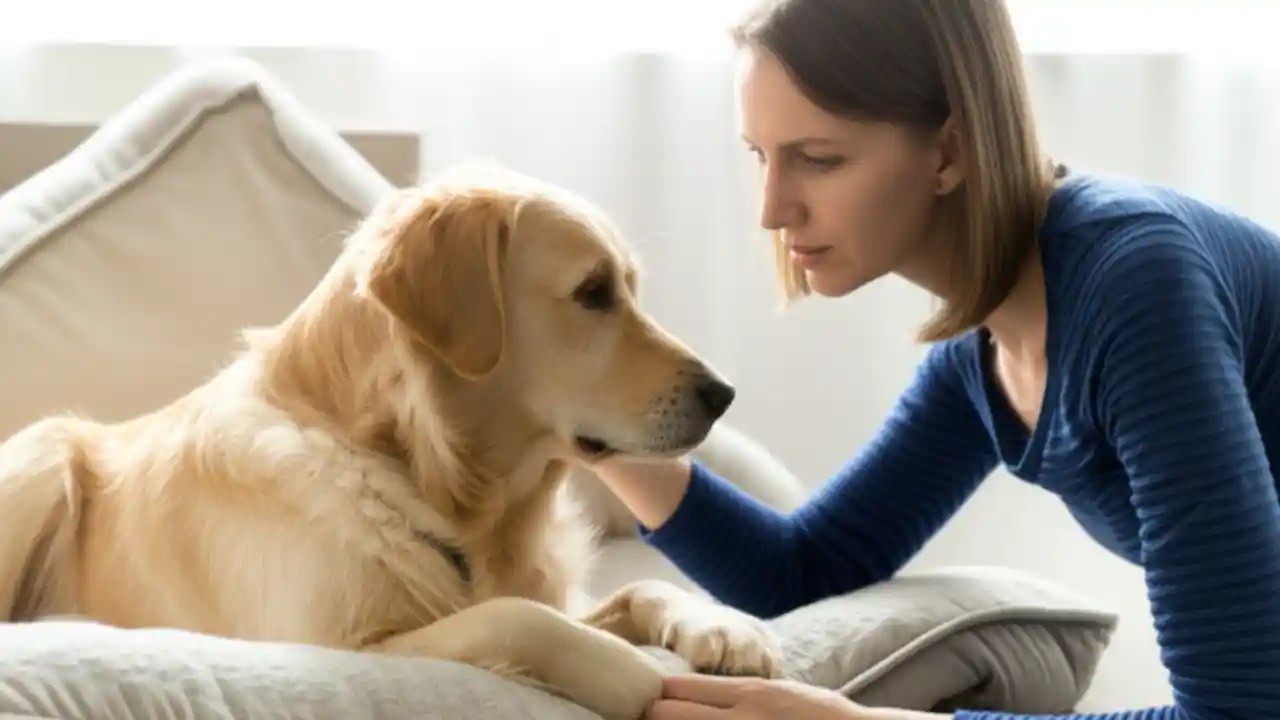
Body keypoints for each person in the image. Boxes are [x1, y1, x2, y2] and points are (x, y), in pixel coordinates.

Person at [589, 1, 1280, 719]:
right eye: (761, 156)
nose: (770, 209)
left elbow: (1240, 710)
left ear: (950, 152)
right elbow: (805, 570)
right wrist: (588, 422)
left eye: (817, 159)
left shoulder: (1135, 287)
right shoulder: (983, 353)